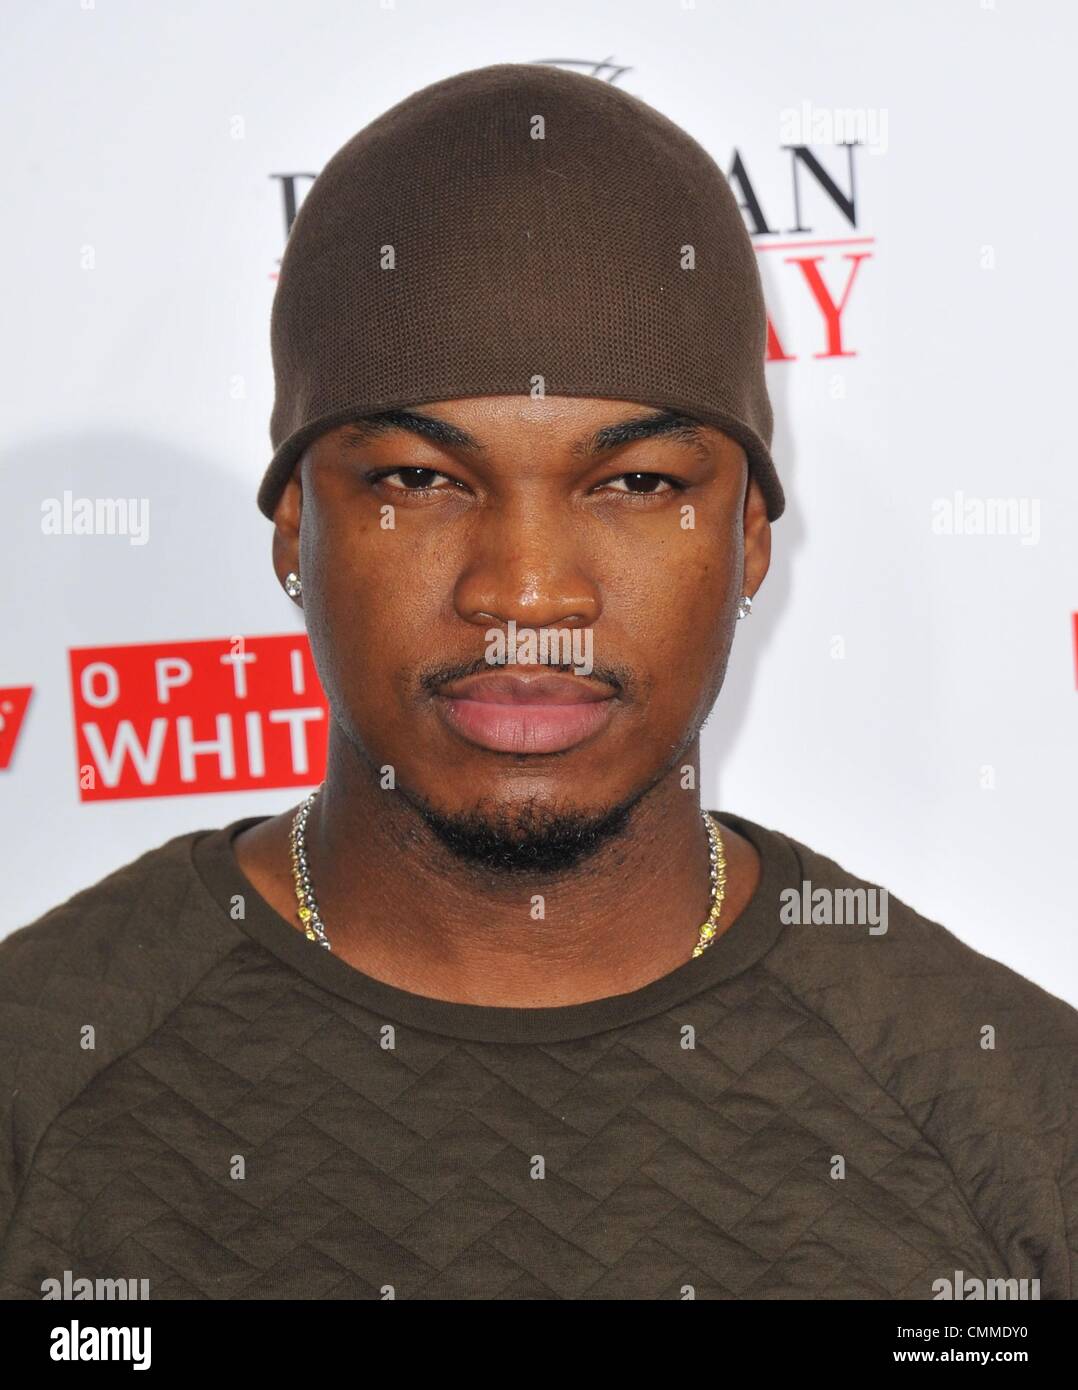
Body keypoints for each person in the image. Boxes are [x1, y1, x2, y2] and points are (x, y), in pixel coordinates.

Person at [2, 62, 1074, 1302]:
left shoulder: (1011, 1123)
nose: (525, 593)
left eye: (637, 486)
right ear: (295, 524)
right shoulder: (42, 1083)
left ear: (753, 541)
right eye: (417, 479)